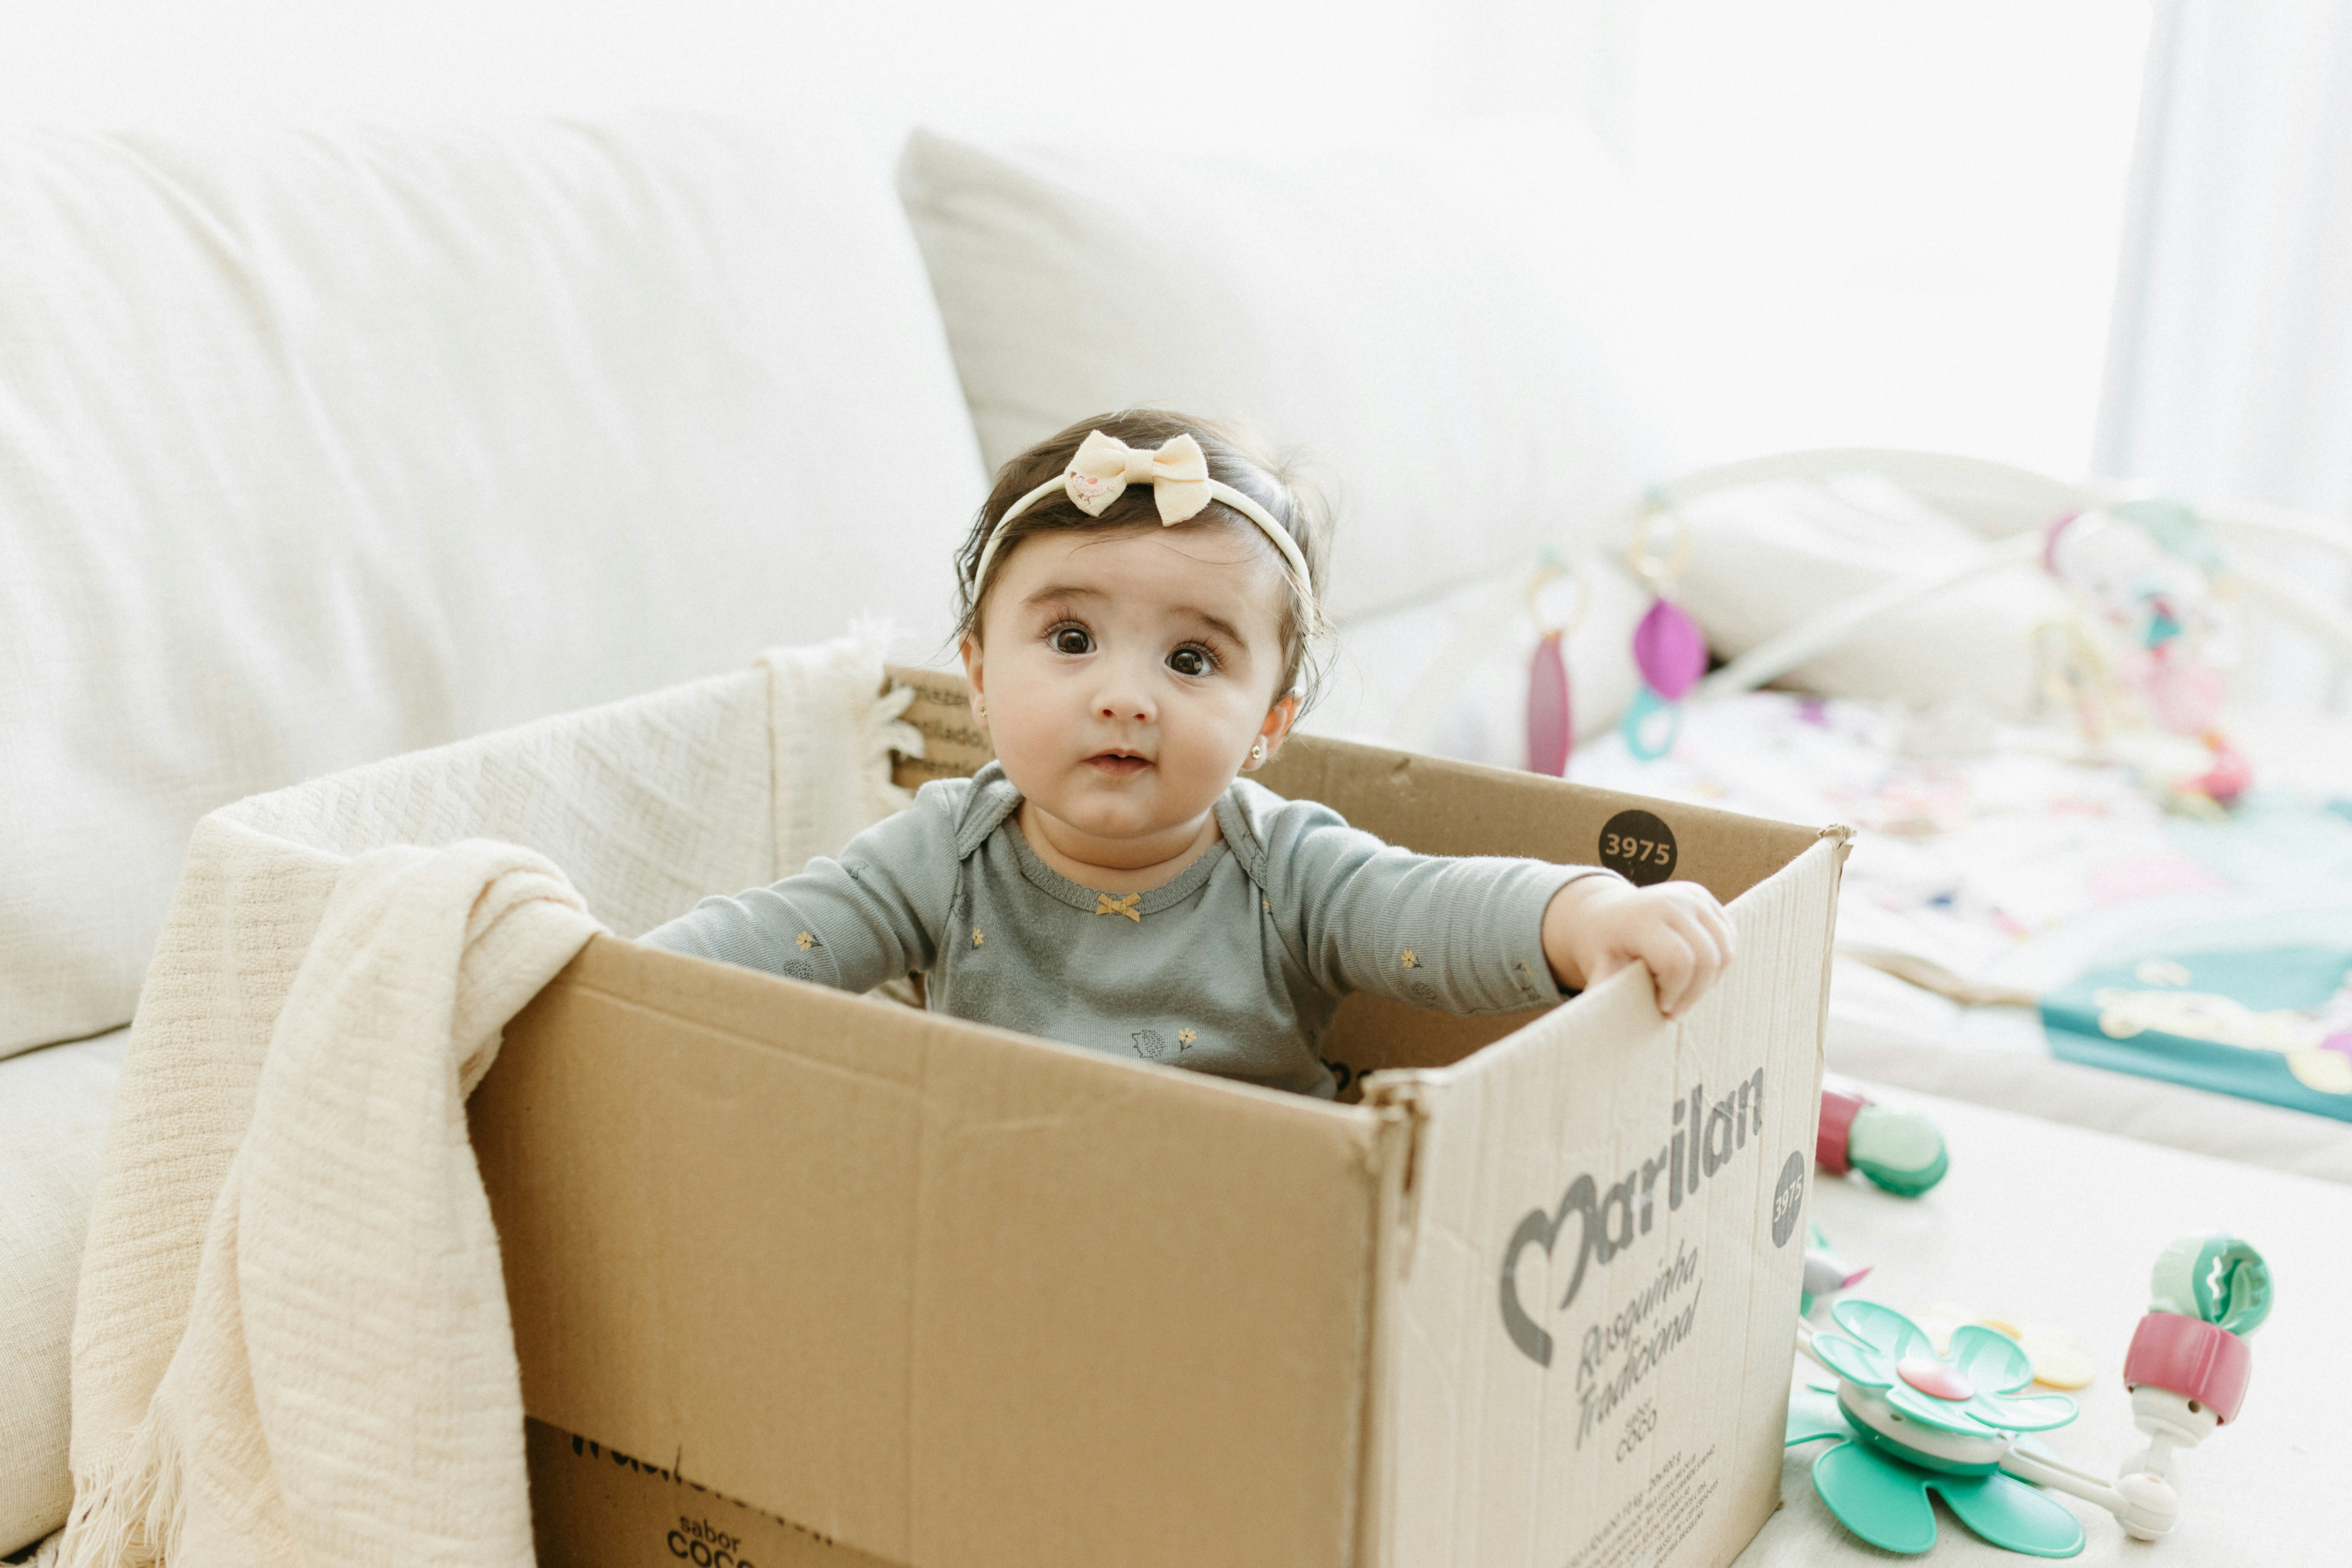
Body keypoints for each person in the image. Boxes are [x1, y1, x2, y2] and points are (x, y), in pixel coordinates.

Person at [639, 411, 1733, 1097]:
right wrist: (608, 982)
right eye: (1071, 641)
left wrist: (1583, 913)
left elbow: (1433, 910)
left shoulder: (1288, 871)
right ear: (977, 672)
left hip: (1251, 1232)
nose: (1126, 698)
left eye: (1194, 659)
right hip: (994, 1212)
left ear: (1272, 720)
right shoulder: (945, 854)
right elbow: (778, 935)